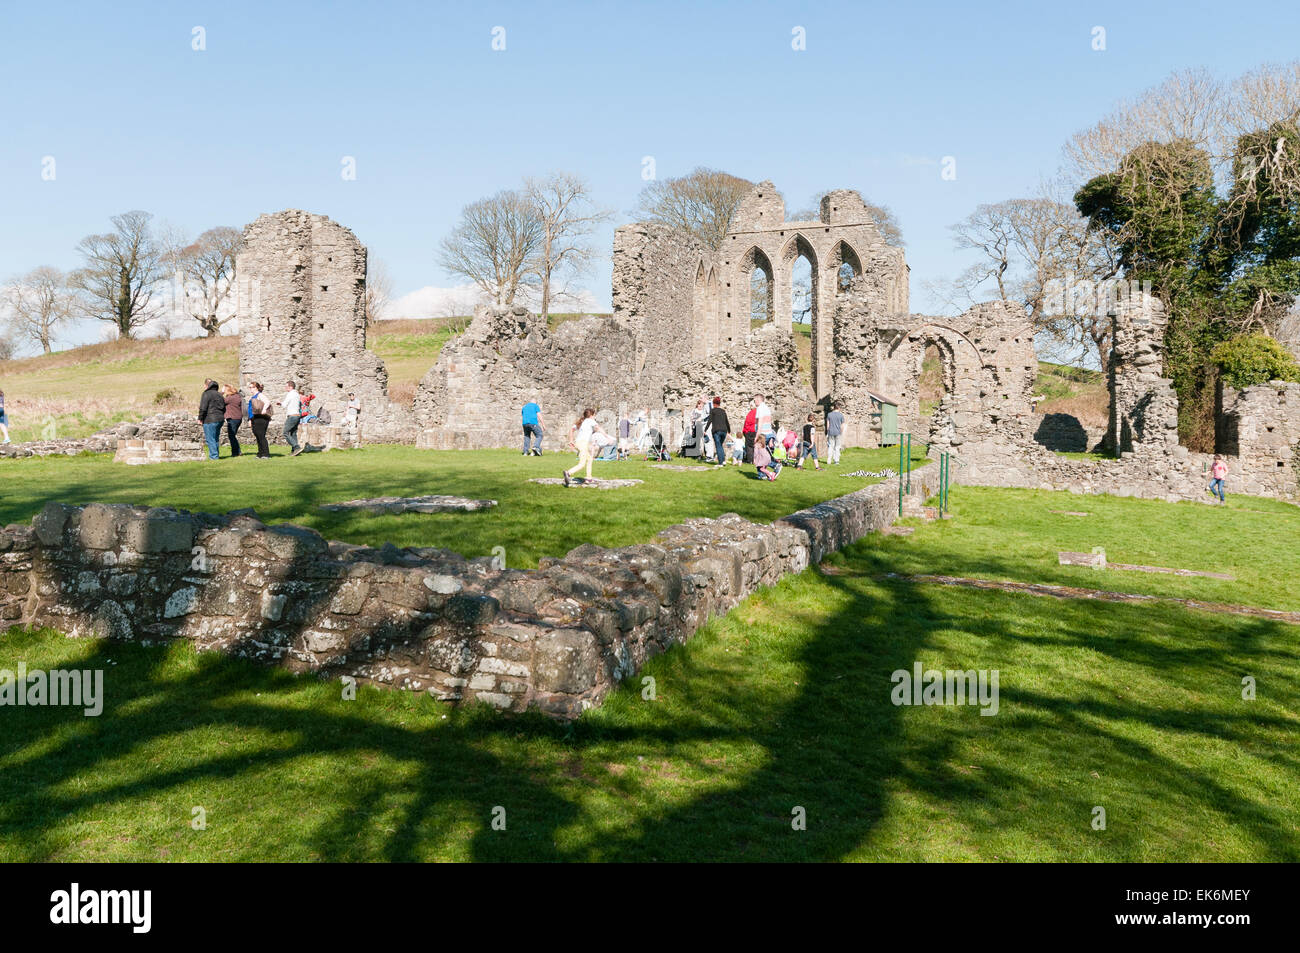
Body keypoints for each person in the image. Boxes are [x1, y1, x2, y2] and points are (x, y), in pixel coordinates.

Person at [563, 408, 605, 486]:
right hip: (582, 444)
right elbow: (572, 430)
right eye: (594, 415)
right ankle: (568, 472)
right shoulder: (585, 421)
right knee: (582, 463)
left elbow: (574, 430)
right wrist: (571, 440)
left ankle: (589, 478)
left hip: (580, 443)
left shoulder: (585, 422)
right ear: (591, 415)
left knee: (589, 459)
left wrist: (572, 441)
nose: (595, 416)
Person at [198, 379, 225, 460]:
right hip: (220, 419)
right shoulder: (220, 395)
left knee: (210, 439)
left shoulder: (206, 394)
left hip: (209, 419)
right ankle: (215, 455)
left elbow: (203, 408)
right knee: (215, 438)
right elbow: (223, 407)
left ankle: (214, 457)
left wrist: (200, 418)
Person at [247, 381, 272, 459]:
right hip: (255, 418)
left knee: (261, 436)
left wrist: (264, 409)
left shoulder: (260, 395)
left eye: (252, 387)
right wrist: (250, 420)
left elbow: (268, 402)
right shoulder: (253, 396)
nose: (250, 389)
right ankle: (260, 453)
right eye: (250, 387)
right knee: (257, 436)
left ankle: (265, 454)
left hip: (261, 418)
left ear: (256, 388)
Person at [279, 380, 304, 457]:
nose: (285, 388)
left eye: (286, 386)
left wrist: (280, 403)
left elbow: (284, 405)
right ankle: (294, 451)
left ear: (290, 387)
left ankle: (297, 447)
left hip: (292, 416)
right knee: (293, 433)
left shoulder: (290, 394)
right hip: (297, 416)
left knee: (285, 432)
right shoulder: (297, 394)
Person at [222, 384, 244, 457]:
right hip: (238, 418)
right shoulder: (237, 396)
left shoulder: (229, 398)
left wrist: (221, 393)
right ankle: (237, 452)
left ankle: (236, 452)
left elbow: (219, 401)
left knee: (231, 436)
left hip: (232, 419)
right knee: (233, 436)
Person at [708, 396, 730, 465]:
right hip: (724, 431)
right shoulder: (723, 411)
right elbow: (727, 421)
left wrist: (705, 430)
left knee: (718, 446)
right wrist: (729, 430)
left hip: (717, 431)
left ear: (714, 403)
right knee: (720, 445)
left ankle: (720, 462)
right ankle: (723, 460)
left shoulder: (713, 410)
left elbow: (709, 421)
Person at [826, 401, 845, 465]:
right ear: (838, 407)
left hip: (831, 432)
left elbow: (827, 426)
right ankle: (836, 461)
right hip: (838, 432)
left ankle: (829, 460)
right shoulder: (841, 415)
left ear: (833, 407)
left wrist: (828, 433)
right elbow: (842, 426)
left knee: (830, 446)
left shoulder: (829, 414)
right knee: (837, 447)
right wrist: (841, 432)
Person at [742, 397, 758, 463]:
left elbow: (747, 423)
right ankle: (755, 460)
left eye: (751, 405)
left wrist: (745, 431)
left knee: (749, 446)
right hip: (755, 431)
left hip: (749, 431)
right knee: (754, 446)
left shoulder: (751, 413)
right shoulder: (758, 412)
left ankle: (750, 460)